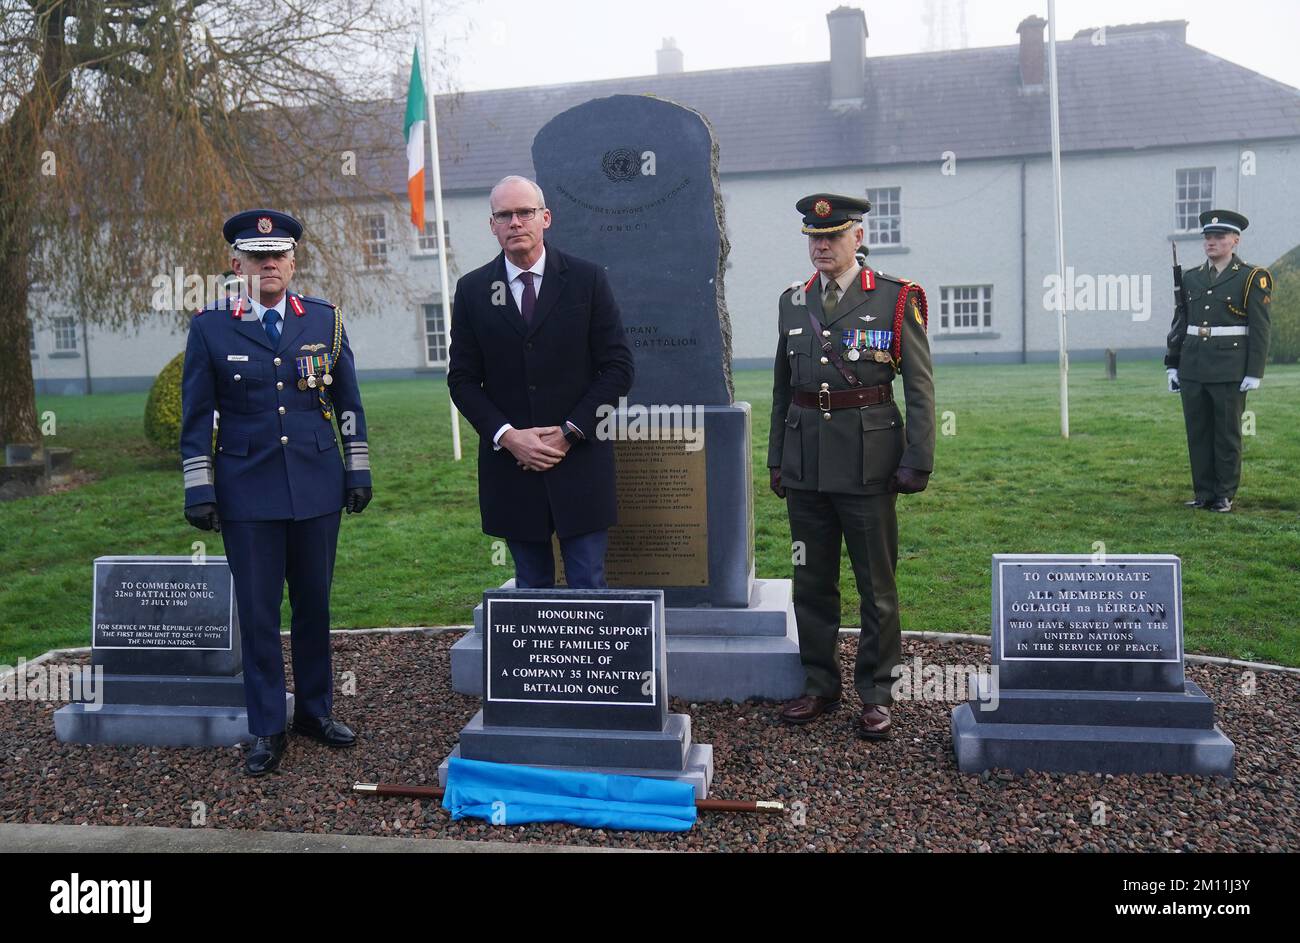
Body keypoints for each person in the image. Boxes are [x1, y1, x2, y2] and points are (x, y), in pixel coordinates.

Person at [180, 209, 372, 776]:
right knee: (259, 614)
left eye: (278, 255)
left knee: (315, 606)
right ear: (234, 263)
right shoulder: (211, 326)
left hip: (315, 485)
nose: (269, 264)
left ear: (292, 261)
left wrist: (356, 471)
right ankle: (266, 726)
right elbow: (196, 418)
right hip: (246, 493)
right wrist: (200, 487)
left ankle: (315, 711)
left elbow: (348, 404)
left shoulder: (324, 321)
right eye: (256, 256)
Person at [767, 193, 935, 739]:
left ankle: (876, 692)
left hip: (869, 462)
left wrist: (918, 460)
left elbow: (919, 386)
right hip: (806, 462)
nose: (821, 246)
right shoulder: (793, 301)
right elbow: (781, 389)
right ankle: (820, 684)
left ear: (857, 238)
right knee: (810, 580)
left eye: (832, 236)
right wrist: (777, 459)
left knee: (875, 583)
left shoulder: (893, 296)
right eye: (814, 238)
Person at [447, 176, 634, 588]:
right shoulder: (473, 291)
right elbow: (462, 380)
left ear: (545, 218)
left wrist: (570, 432)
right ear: (492, 225)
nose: (515, 222)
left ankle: (589, 657)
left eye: (524, 213)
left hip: (580, 462)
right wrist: (508, 436)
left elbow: (618, 367)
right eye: (504, 215)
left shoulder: (587, 280)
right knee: (531, 589)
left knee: (588, 585)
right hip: (512, 469)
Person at [1165, 209, 1272, 513]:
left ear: (1235, 241)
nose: (1211, 241)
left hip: (1229, 367)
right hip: (1193, 366)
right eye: (1208, 237)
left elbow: (1261, 327)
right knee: (1198, 433)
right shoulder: (1191, 278)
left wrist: (1255, 371)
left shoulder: (1252, 277)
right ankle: (1203, 492)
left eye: (1219, 236)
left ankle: (1223, 494)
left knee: (1226, 434)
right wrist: (1172, 364)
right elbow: (1180, 323)